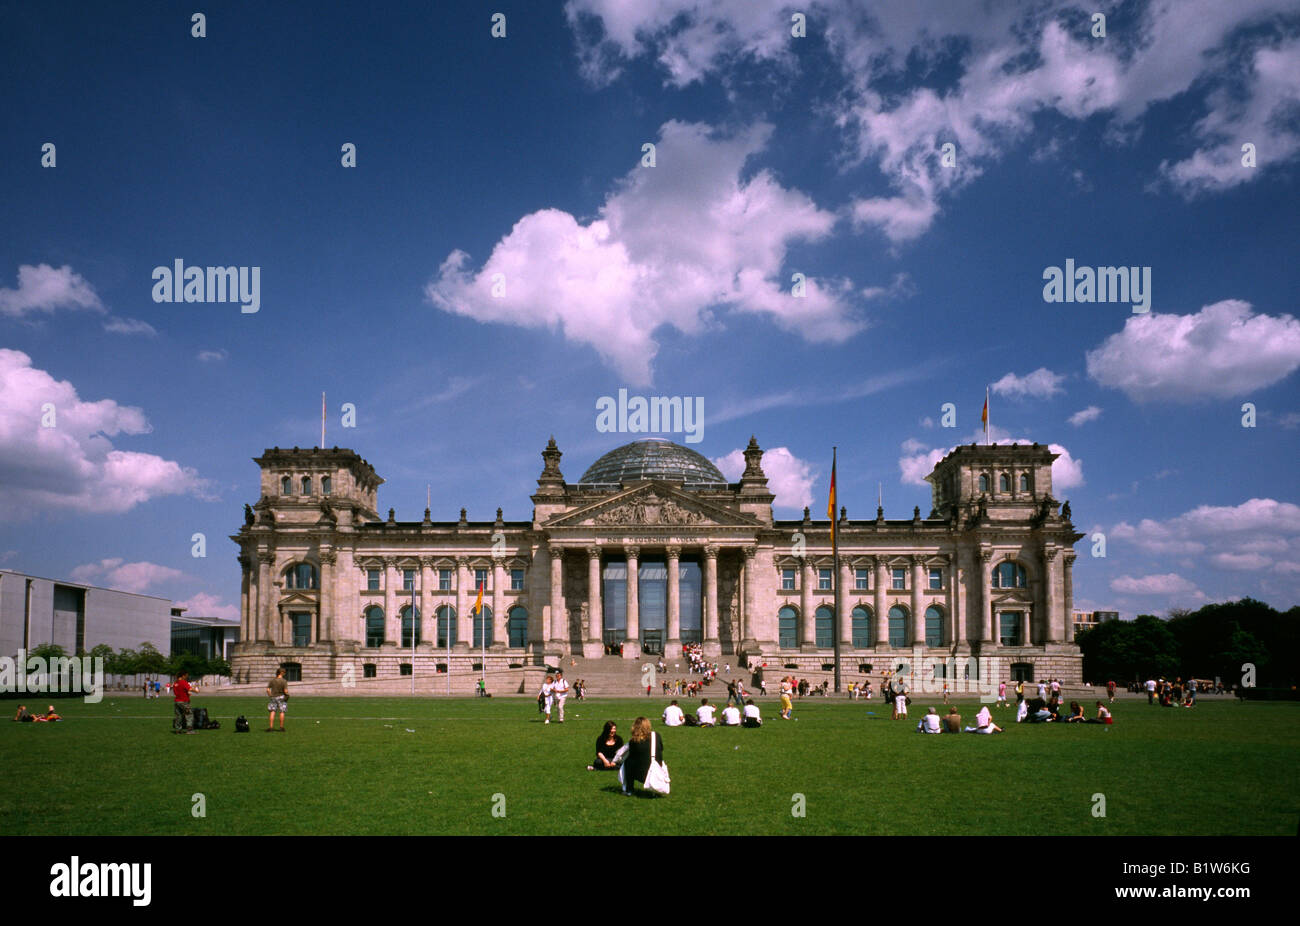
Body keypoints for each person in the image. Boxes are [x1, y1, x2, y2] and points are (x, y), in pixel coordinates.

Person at [617, 716, 665, 796]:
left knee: (628, 762)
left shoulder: (634, 741)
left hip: (644, 774)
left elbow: (632, 756)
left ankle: (629, 790)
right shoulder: (656, 735)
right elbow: (661, 749)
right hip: (658, 771)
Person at [266, 667, 288, 732]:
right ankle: (281, 727)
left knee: (272, 711)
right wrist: (287, 695)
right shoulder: (284, 681)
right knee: (282, 711)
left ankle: (271, 727)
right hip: (281, 697)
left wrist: (270, 695)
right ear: (282, 673)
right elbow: (285, 690)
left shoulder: (272, 680)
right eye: (284, 672)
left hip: (273, 697)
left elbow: (267, 689)